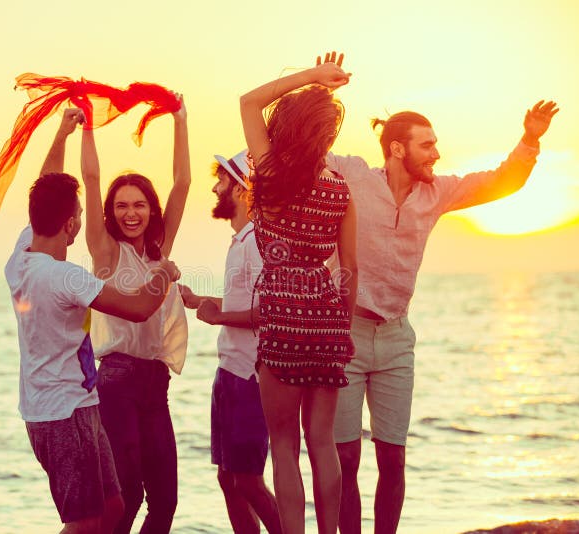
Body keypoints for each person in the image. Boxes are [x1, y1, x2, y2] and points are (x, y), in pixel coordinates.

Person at [316, 52, 560, 533]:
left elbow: (501, 182)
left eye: (435, 144)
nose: (436, 153)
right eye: (427, 145)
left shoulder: (438, 193)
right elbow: (303, 148)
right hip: (344, 333)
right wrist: (321, 93)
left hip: (395, 339)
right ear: (397, 149)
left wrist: (529, 139)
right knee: (344, 460)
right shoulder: (353, 176)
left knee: (393, 459)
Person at [40, 102, 190, 534]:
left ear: (150, 209)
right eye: (122, 205)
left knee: (164, 502)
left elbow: (182, 183)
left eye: (139, 205)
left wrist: (181, 120)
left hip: (155, 384)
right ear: (111, 211)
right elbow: (90, 179)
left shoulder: (159, 249)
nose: (130, 213)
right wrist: (86, 129)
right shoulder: (105, 251)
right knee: (127, 496)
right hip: (117, 382)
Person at [4, 171, 181, 534]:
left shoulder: (20, 258)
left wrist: (64, 132)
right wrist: (165, 273)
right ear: (69, 225)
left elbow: (45, 188)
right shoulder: (66, 277)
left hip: (70, 407)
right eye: (80, 214)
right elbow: (139, 307)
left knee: (114, 506)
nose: (83, 221)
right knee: (84, 521)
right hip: (65, 413)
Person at [239, 60, 359, 534]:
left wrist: (311, 76)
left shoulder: (269, 173)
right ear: (327, 136)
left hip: (283, 313)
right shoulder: (340, 191)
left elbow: (249, 101)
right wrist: (341, 329)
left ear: (285, 126)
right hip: (327, 314)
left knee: (284, 444)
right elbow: (350, 269)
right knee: (323, 443)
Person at [178, 150, 282, 534]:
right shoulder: (240, 240)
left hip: (250, 378)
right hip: (228, 373)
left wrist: (219, 316)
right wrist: (199, 302)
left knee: (248, 480)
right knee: (227, 478)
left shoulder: (258, 241)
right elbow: (244, 304)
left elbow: (270, 310)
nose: (215, 187)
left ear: (242, 189)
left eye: (222, 181)